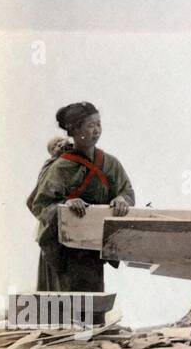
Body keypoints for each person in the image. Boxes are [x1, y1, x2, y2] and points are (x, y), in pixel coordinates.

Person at [29, 102, 135, 293]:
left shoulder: (109, 164)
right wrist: (65, 205)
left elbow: (126, 191)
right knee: (62, 310)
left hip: (92, 249)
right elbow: (40, 205)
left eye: (98, 124)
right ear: (74, 130)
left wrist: (122, 199)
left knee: (92, 306)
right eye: (90, 125)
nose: (96, 130)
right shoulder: (60, 167)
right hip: (62, 253)